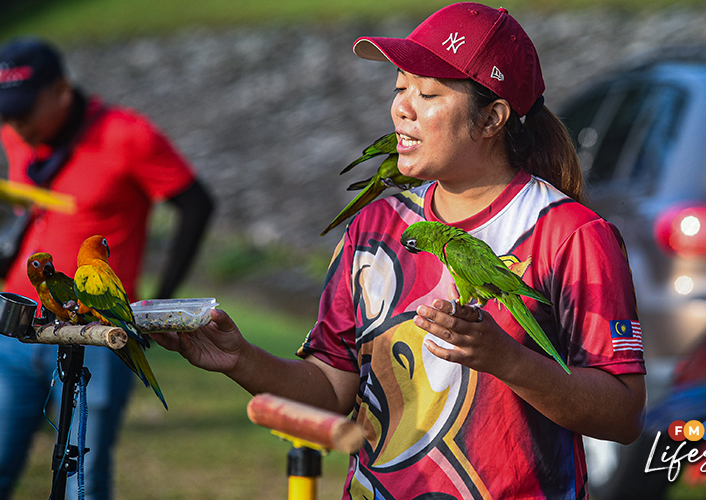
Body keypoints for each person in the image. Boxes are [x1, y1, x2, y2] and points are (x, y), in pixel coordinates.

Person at [153, 3, 646, 498]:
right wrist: (240, 359)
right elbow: (330, 388)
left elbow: (624, 414)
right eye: (399, 88)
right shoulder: (375, 226)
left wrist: (509, 360)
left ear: (492, 118)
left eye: (428, 93)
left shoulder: (571, 234)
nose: (401, 108)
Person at [0, 37, 214, 500]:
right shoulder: (14, 134)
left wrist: (158, 301)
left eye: (23, 110)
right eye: (6, 112)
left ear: (60, 91)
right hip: (17, 328)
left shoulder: (128, 135)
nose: (13, 123)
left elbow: (196, 205)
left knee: (83, 481)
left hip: (96, 331)